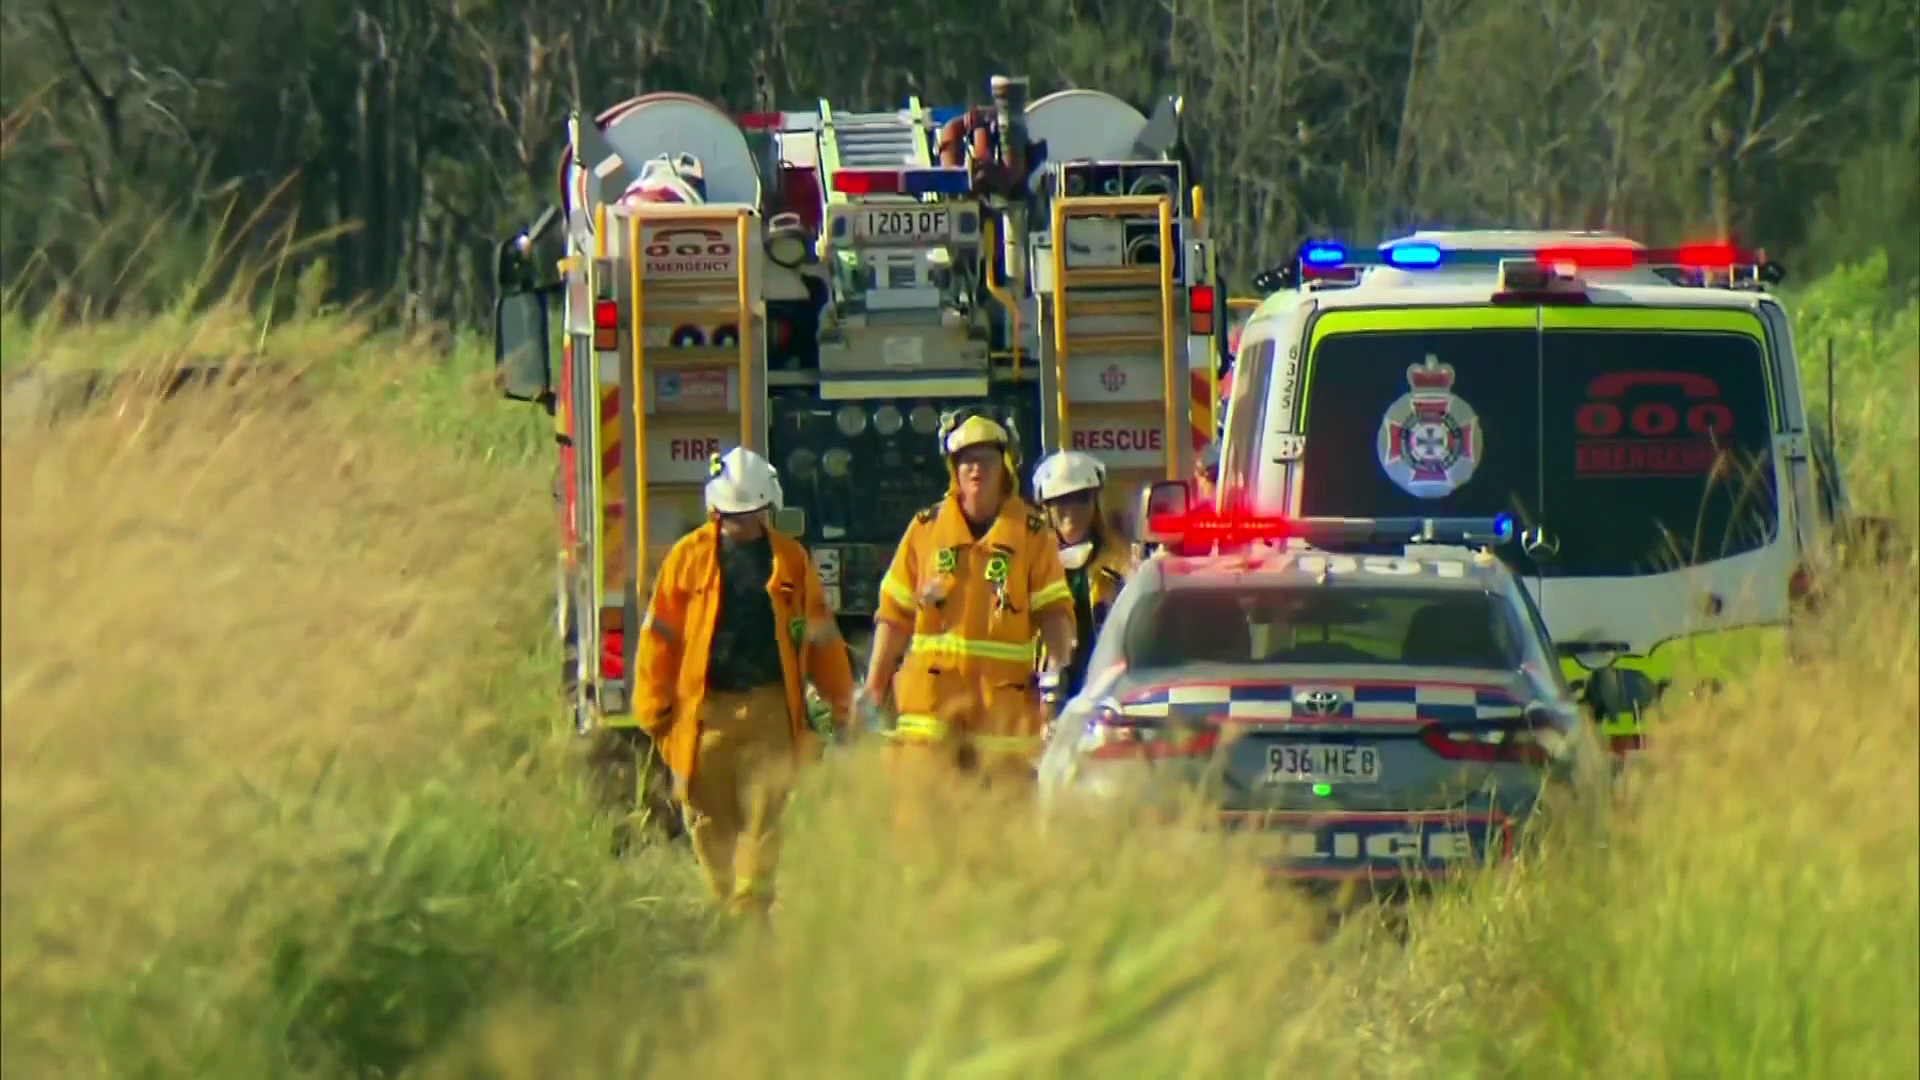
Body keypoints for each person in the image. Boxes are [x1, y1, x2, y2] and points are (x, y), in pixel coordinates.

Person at [634, 447, 854, 919]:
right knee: (711, 820)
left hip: (770, 713)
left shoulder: (789, 561)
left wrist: (837, 704)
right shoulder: (689, 559)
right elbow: (660, 638)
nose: (743, 521)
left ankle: (748, 913)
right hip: (705, 714)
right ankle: (727, 909)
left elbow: (820, 637)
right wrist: (654, 710)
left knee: (764, 820)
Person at [862, 408, 1078, 790]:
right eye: (967, 462)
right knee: (921, 829)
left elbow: (1055, 614)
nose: (976, 470)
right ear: (954, 470)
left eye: (987, 461)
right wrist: (874, 685)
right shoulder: (925, 530)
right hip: (930, 719)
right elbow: (894, 615)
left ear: (1005, 468)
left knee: (1000, 832)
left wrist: (1057, 684)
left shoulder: (1031, 535)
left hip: (1001, 722)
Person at [1029, 450, 1135, 703]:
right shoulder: (1029, 569)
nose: (1071, 511)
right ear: (1046, 509)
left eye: (1081, 499)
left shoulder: (1124, 565)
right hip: (1044, 702)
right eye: (1061, 501)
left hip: (1110, 699)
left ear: (1096, 504)